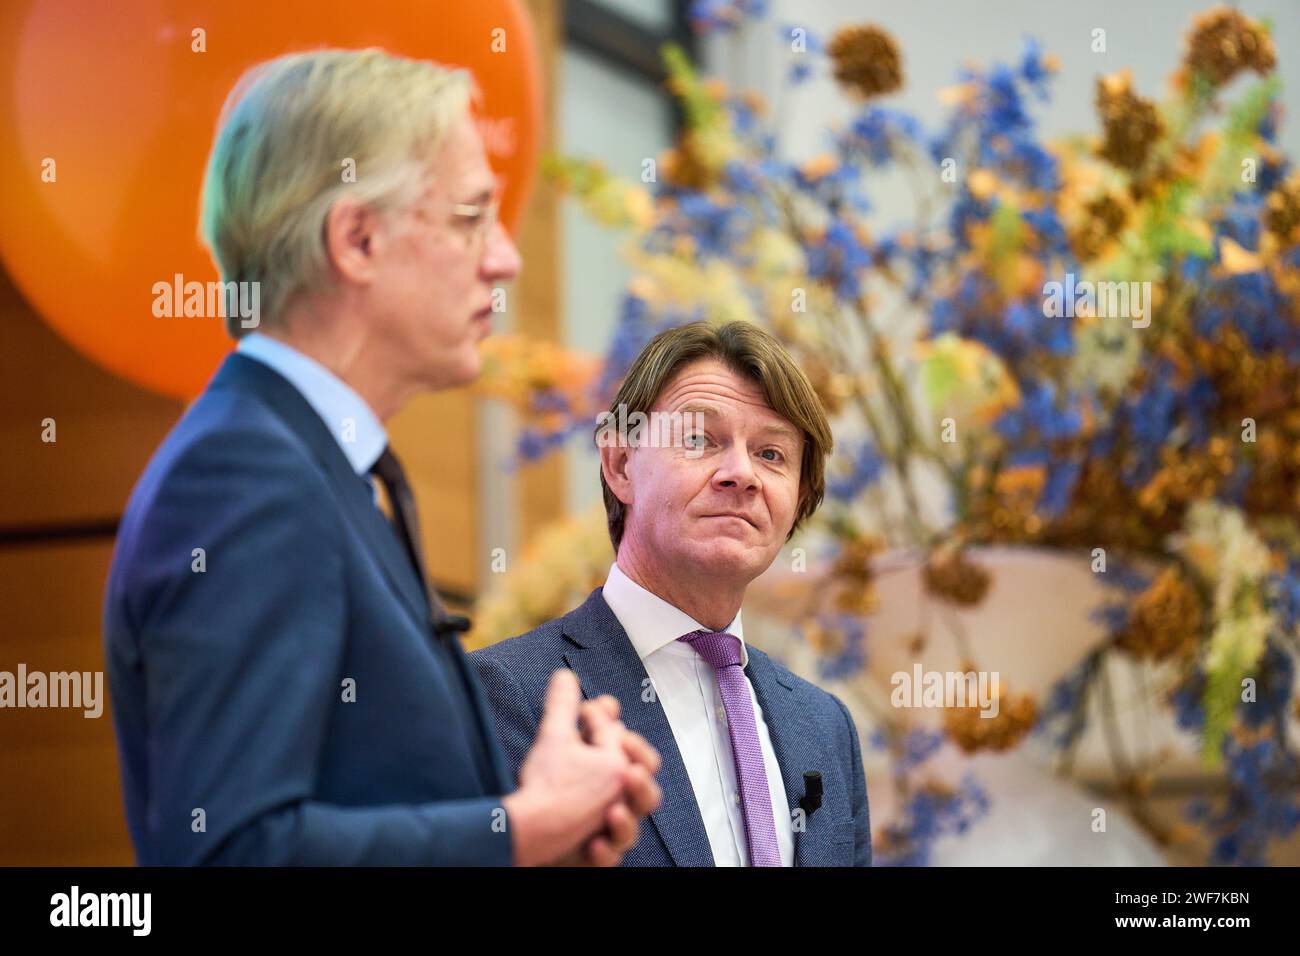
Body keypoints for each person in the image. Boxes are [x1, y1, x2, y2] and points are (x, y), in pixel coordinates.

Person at [103, 48, 660, 866]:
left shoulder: (314, 468)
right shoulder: (246, 479)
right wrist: (525, 827)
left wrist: (542, 821)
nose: (505, 258)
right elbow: (231, 853)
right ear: (357, 240)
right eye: (471, 218)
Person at [473, 321, 871, 866]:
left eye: (772, 454)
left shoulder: (825, 727)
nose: (741, 474)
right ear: (620, 466)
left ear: (798, 500)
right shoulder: (496, 696)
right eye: (698, 439)